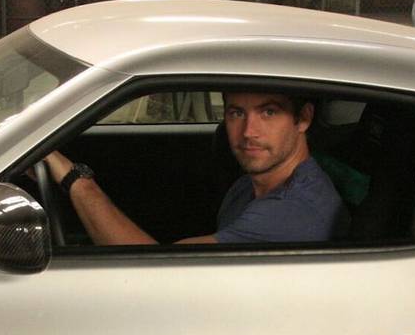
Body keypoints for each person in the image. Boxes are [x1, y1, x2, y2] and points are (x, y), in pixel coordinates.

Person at [42, 92, 344, 246]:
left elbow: (153, 271)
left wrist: (75, 179)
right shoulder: (251, 184)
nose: (249, 131)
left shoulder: (290, 212)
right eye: (236, 113)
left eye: (268, 112)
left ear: (304, 118)